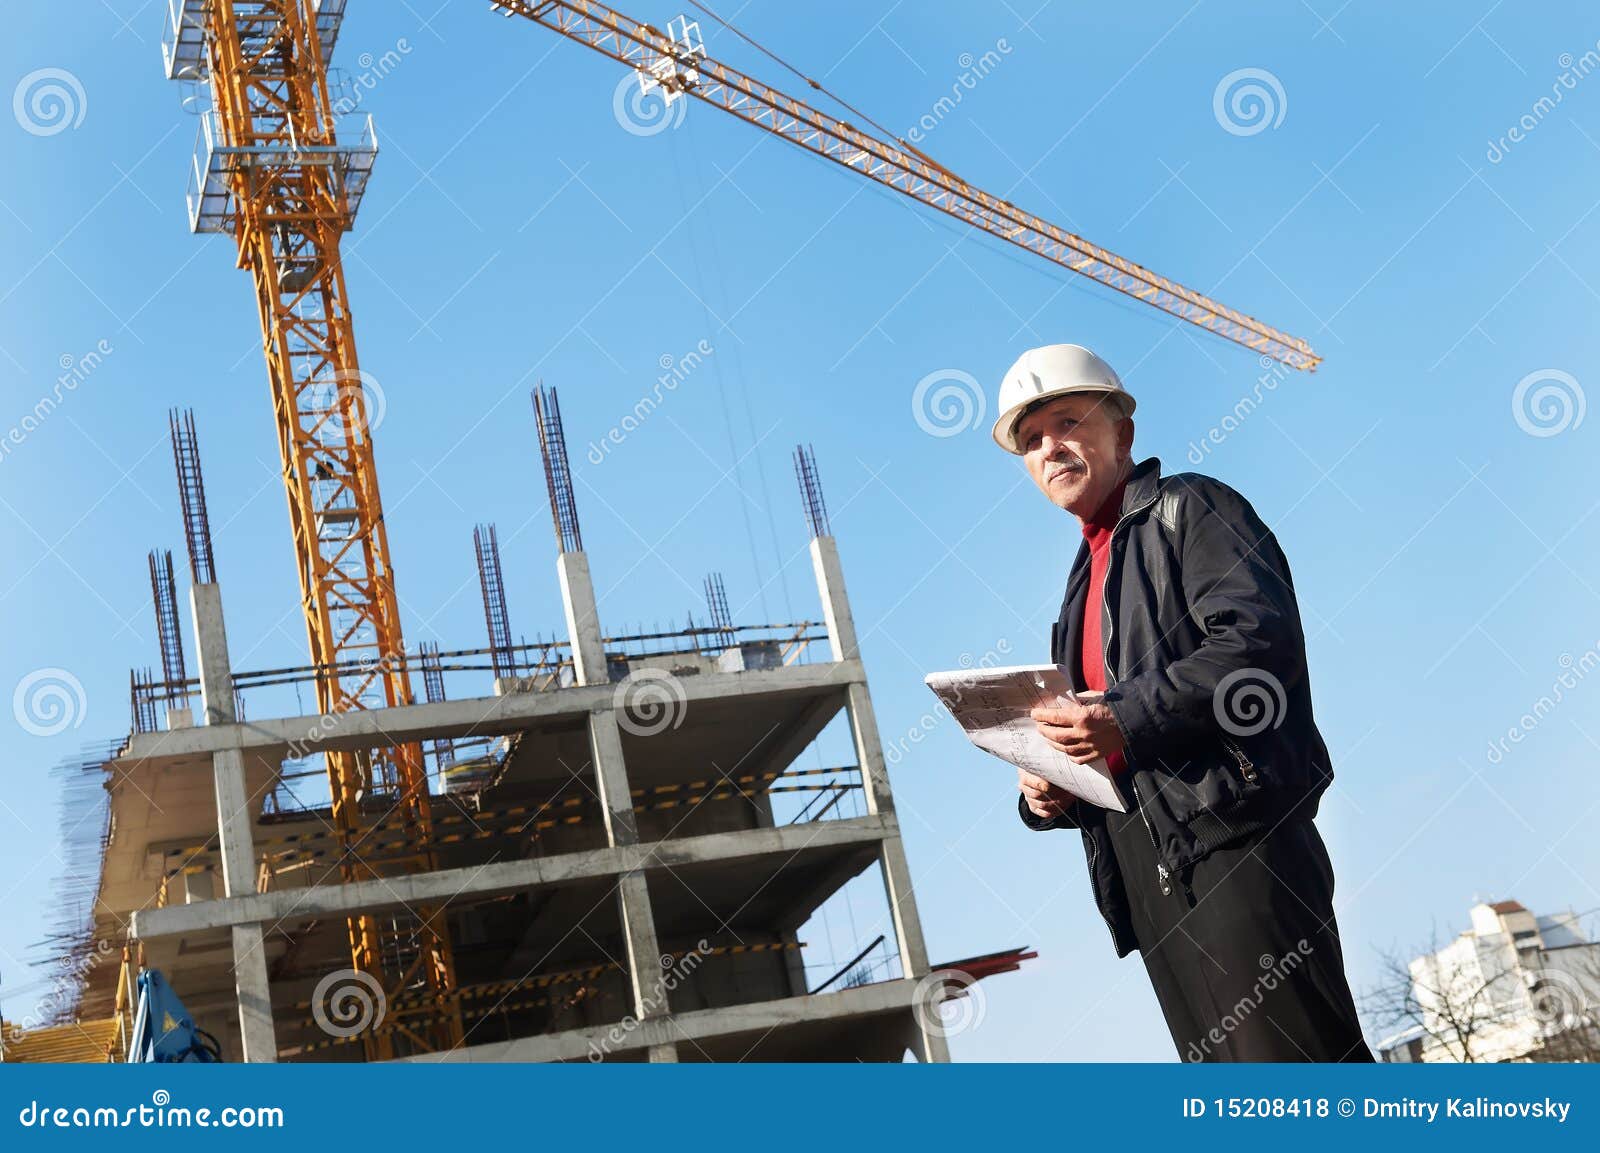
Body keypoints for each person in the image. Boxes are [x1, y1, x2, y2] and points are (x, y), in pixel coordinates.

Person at [996, 343, 1371, 1063]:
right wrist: (1052, 783)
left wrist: (1120, 717)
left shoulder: (1190, 509)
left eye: (1068, 422)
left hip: (1234, 846)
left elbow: (1257, 647)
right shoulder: (1079, 587)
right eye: (1033, 440)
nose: (1052, 448)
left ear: (1122, 434)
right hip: (1151, 880)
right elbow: (1114, 741)